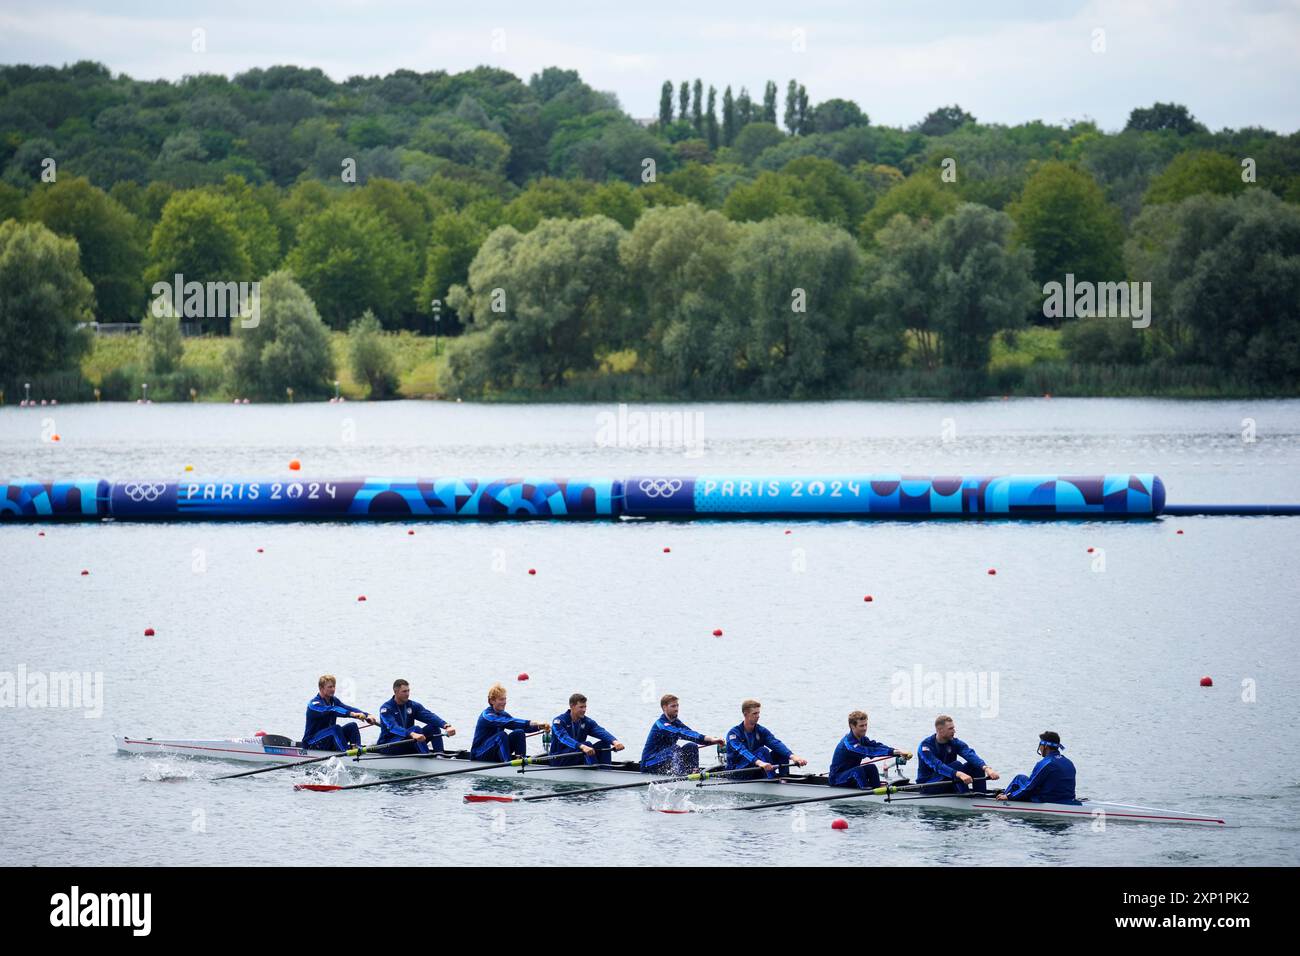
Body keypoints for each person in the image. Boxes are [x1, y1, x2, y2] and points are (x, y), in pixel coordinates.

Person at [640, 694, 724, 775]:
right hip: (649, 763)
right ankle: (681, 777)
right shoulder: (661, 725)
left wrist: (713, 741)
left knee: (692, 746)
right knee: (675, 749)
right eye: (673, 706)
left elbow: (692, 735)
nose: (676, 709)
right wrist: (709, 739)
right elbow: (680, 733)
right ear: (664, 707)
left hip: (665, 758)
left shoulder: (676, 722)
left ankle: (693, 773)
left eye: (677, 706)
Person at [916, 714, 999, 793]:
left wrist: (986, 768)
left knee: (975, 766)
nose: (954, 731)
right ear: (940, 730)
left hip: (948, 780)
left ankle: (981, 797)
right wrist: (959, 774)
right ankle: (966, 796)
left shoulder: (954, 742)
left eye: (953, 728)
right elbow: (937, 766)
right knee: (957, 765)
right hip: (928, 785)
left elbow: (969, 754)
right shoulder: (925, 746)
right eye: (950, 729)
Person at [828, 710, 912, 788]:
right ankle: (867, 792)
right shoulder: (849, 744)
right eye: (861, 726)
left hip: (850, 775)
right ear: (852, 726)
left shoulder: (862, 739)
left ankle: (876, 788)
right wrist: (895, 752)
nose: (865, 728)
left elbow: (876, 746)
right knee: (857, 770)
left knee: (871, 767)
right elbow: (870, 752)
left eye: (866, 725)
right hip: (837, 779)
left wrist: (898, 751)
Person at [725, 699, 807, 778]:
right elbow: (742, 751)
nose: (758, 716)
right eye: (754, 713)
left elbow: (775, 743)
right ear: (745, 714)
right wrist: (760, 763)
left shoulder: (761, 730)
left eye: (758, 713)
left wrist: (793, 756)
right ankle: (772, 779)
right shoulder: (733, 734)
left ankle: (784, 779)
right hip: (736, 771)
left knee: (780, 753)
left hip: (756, 766)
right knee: (763, 751)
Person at [376, 679, 456, 756]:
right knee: (416, 729)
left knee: (434, 728)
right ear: (395, 692)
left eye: (408, 691)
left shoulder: (413, 706)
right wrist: (412, 733)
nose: (407, 694)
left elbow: (429, 716)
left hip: (408, 741)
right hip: (389, 745)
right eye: (404, 691)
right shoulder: (386, 709)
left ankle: (440, 756)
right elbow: (393, 727)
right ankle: (426, 756)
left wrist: (446, 726)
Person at [471, 683, 548, 762]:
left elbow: (518, 725)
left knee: (519, 732)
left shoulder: (503, 714)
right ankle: (508, 765)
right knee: (501, 736)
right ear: (492, 701)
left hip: (494, 751)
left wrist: (539, 727)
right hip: (479, 754)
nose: (504, 702)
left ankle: (520, 761)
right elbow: (511, 722)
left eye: (505, 699)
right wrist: (531, 722)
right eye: (501, 699)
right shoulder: (487, 716)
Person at [996, 731, 1078, 804]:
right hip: (1068, 798)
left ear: (1045, 746)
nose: (1040, 748)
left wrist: (1009, 797)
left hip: (1048, 799)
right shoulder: (1068, 762)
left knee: (1019, 778)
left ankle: (1003, 798)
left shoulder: (1046, 763)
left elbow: (1030, 786)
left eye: (1040, 745)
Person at [303, 674, 376, 751]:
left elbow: (346, 708)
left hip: (327, 739)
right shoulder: (314, 704)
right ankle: (346, 754)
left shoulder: (334, 700)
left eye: (334, 686)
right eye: (330, 687)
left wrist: (367, 715)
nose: (333, 689)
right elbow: (333, 710)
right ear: (321, 688)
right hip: (311, 743)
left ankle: (356, 750)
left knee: (352, 726)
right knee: (335, 729)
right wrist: (353, 714)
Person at [548, 693, 625, 766]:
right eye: (581, 707)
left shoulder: (586, 721)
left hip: (577, 754)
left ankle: (606, 771)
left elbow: (600, 731)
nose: (584, 710)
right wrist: (582, 746)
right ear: (572, 706)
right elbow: (564, 738)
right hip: (558, 758)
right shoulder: (559, 722)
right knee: (587, 744)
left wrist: (615, 742)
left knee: (604, 744)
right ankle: (595, 773)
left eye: (585, 707)